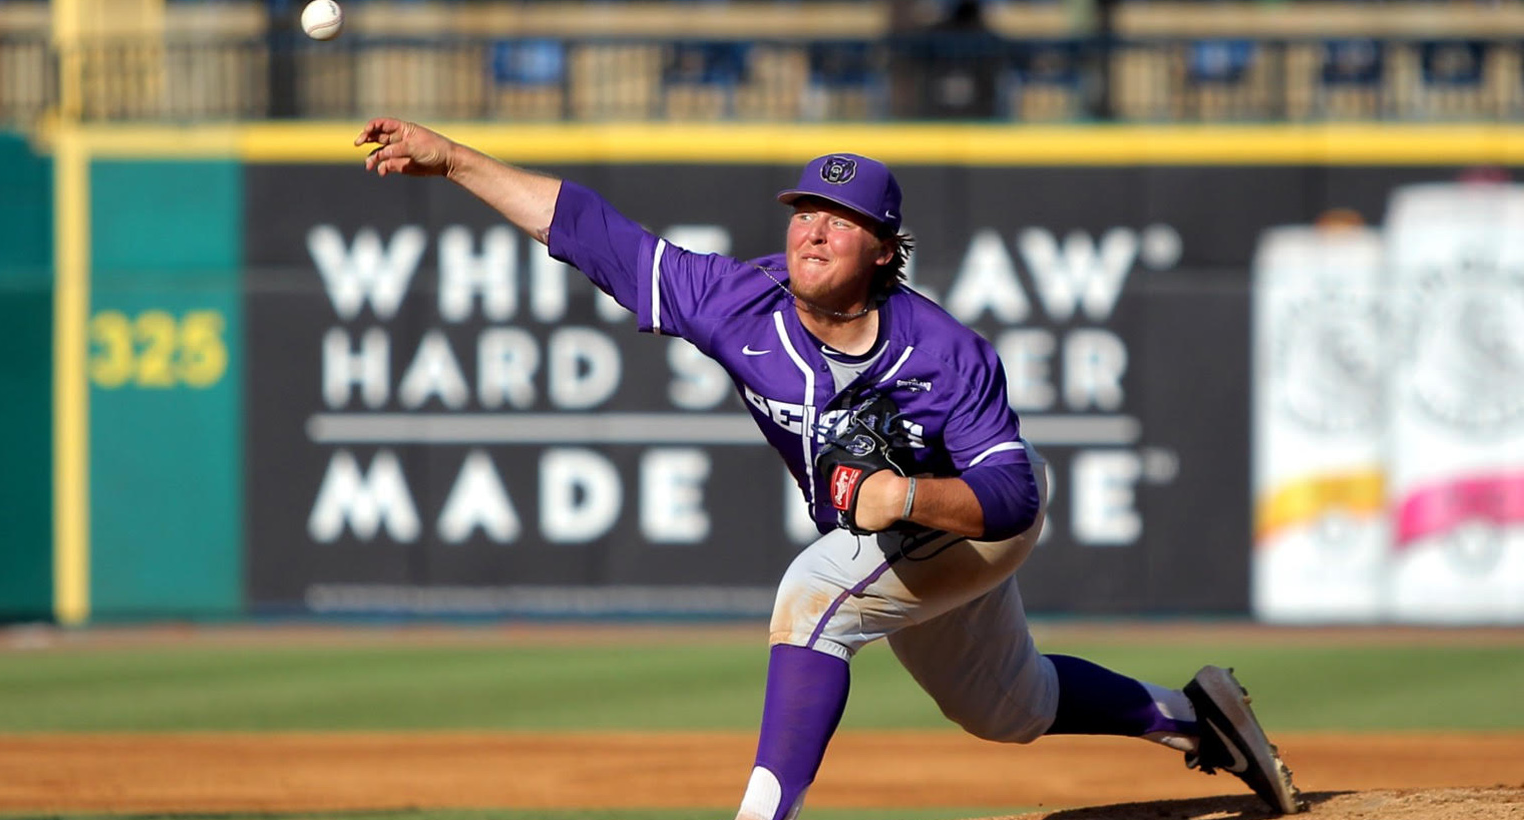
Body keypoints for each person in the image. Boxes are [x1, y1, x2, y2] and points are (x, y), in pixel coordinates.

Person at [354, 118, 1306, 819]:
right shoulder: (740, 303)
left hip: (972, 525)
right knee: (1008, 711)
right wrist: (456, 160)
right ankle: (1193, 719)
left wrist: (906, 493)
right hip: (895, 541)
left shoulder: (944, 351)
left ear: (884, 251)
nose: (811, 228)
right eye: (805, 207)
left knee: (812, 600)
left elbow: (1014, 498)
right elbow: (592, 233)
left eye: (839, 218)